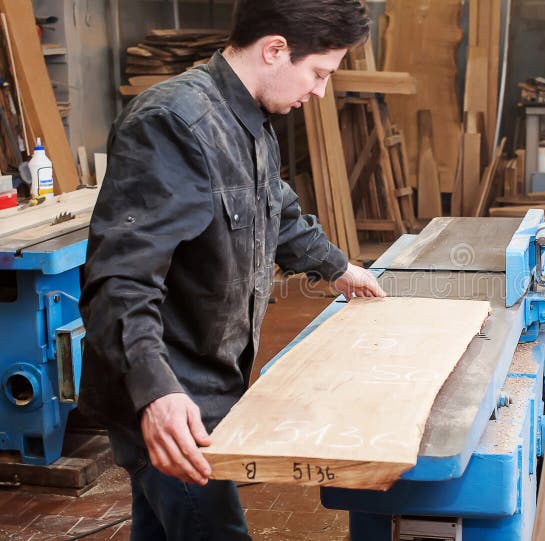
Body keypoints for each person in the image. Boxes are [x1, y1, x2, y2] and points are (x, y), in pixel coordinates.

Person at [78, 1, 385, 539]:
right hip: (170, 394)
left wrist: (339, 268)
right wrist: (157, 392)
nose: (318, 92)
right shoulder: (173, 124)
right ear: (274, 49)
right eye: (318, 74)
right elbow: (120, 279)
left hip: (208, 383)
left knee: (161, 526)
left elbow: (278, 211)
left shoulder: (249, 122)